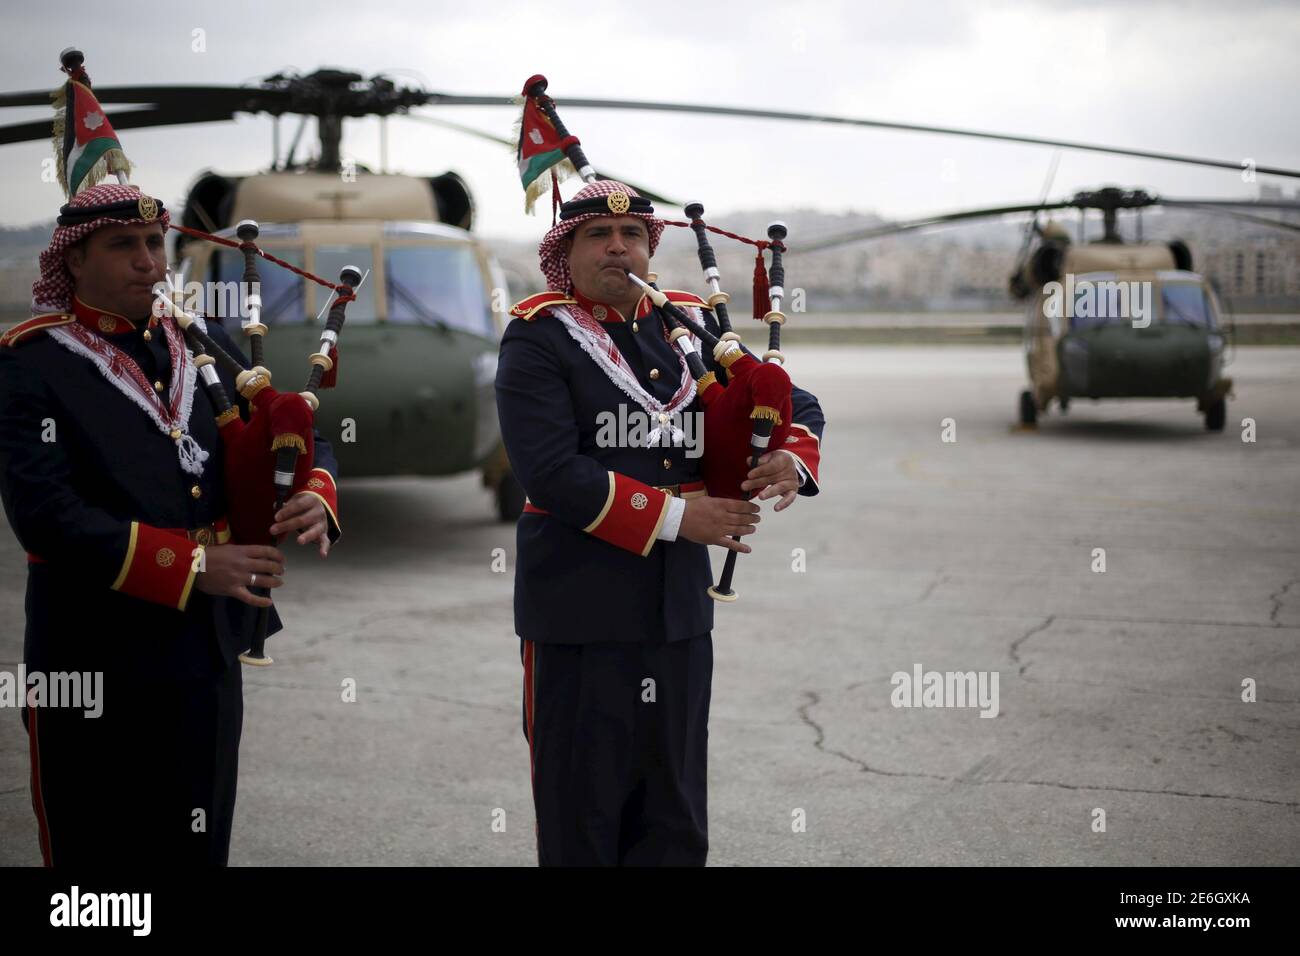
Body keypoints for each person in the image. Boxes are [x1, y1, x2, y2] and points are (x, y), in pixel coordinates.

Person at [0, 182, 342, 866]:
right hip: (93, 649)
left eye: (155, 244)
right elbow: (47, 517)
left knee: (197, 839)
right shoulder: (29, 364)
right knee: (97, 848)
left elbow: (288, 424)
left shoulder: (198, 341)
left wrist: (315, 490)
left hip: (206, 648)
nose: (146, 261)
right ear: (72, 261)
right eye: (122, 245)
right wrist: (191, 566)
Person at [496, 180, 825, 865]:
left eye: (634, 237)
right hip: (579, 617)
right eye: (598, 236)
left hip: (676, 616)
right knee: (582, 816)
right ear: (565, 251)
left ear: (651, 248)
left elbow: (791, 401)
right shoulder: (537, 338)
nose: (620, 248)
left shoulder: (689, 327)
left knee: (671, 817)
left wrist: (790, 458)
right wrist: (683, 517)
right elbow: (551, 473)